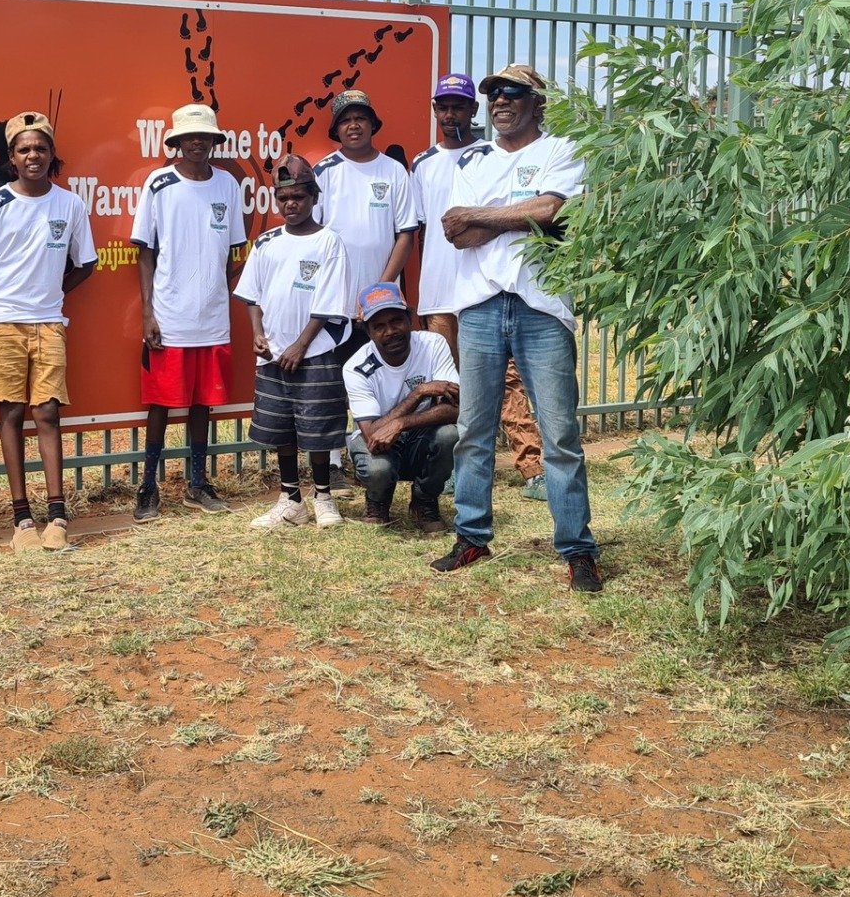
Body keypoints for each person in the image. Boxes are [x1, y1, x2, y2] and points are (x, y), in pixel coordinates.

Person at [435, 64, 603, 591]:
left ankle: (577, 549)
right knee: (473, 431)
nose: (499, 101)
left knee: (560, 435)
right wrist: (520, 213)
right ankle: (471, 537)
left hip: (541, 306)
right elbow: (456, 233)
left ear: (537, 102)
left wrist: (488, 214)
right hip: (481, 305)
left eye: (512, 93)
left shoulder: (562, 149)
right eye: (493, 94)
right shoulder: (472, 159)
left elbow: (553, 209)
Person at [0, 111, 97, 554]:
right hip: (2, 324)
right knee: (11, 413)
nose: (33, 155)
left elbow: (86, 262)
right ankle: (22, 519)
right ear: (11, 159)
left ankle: (57, 514)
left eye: (41, 148)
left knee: (49, 413)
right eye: (24, 149)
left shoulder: (70, 204)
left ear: (52, 155)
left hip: (50, 322)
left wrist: (55, 291)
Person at [412, 74, 544, 498]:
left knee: (507, 381)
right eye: (443, 106)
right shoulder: (422, 163)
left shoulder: (493, 155)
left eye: (459, 106)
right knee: (450, 384)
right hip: (438, 291)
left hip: (485, 286)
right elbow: (420, 230)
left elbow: (509, 216)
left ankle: (532, 466)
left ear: (474, 111)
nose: (450, 114)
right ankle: (454, 468)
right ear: (435, 110)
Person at [129, 103, 246, 521]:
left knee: (203, 404)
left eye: (205, 136)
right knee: (160, 404)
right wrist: (148, 313)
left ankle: (197, 483)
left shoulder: (229, 185)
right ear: (176, 143)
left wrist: (214, 289)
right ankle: (148, 486)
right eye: (189, 137)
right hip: (170, 315)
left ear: (214, 141)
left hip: (212, 317)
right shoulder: (159, 184)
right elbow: (144, 251)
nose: (197, 143)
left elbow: (234, 251)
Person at [234, 156, 353, 530]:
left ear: (314, 197)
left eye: (299, 197)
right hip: (272, 353)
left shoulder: (329, 242)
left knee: (317, 427)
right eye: (283, 198)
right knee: (280, 428)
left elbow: (329, 303)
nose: (291, 204)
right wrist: (257, 333)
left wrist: (302, 344)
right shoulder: (267, 242)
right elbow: (253, 295)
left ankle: (323, 497)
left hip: (313, 352)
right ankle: (290, 500)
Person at [341, 283, 460, 531]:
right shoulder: (356, 366)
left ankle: (424, 501)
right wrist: (418, 393)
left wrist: (401, 423)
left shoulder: (433, 345)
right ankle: (378, 500)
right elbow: (371, 434)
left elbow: (456, 409)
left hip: (420, 435)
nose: (390, 332)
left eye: (397, 321)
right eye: (379, 326)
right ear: (368, 331)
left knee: (451, 434)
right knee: (377, 468)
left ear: (410, 318)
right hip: (376, 440)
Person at [313, 88, 420, 345]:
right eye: (345, 120)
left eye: (360, 118)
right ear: (336, 129)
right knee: (335, 378)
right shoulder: (323, 171)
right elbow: (312, 238)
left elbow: (406, 234)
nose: (354, 126)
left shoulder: (394, 171)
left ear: (372, 124)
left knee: (379, 376)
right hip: (334, 302)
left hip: (382, 306)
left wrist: (380, 290)